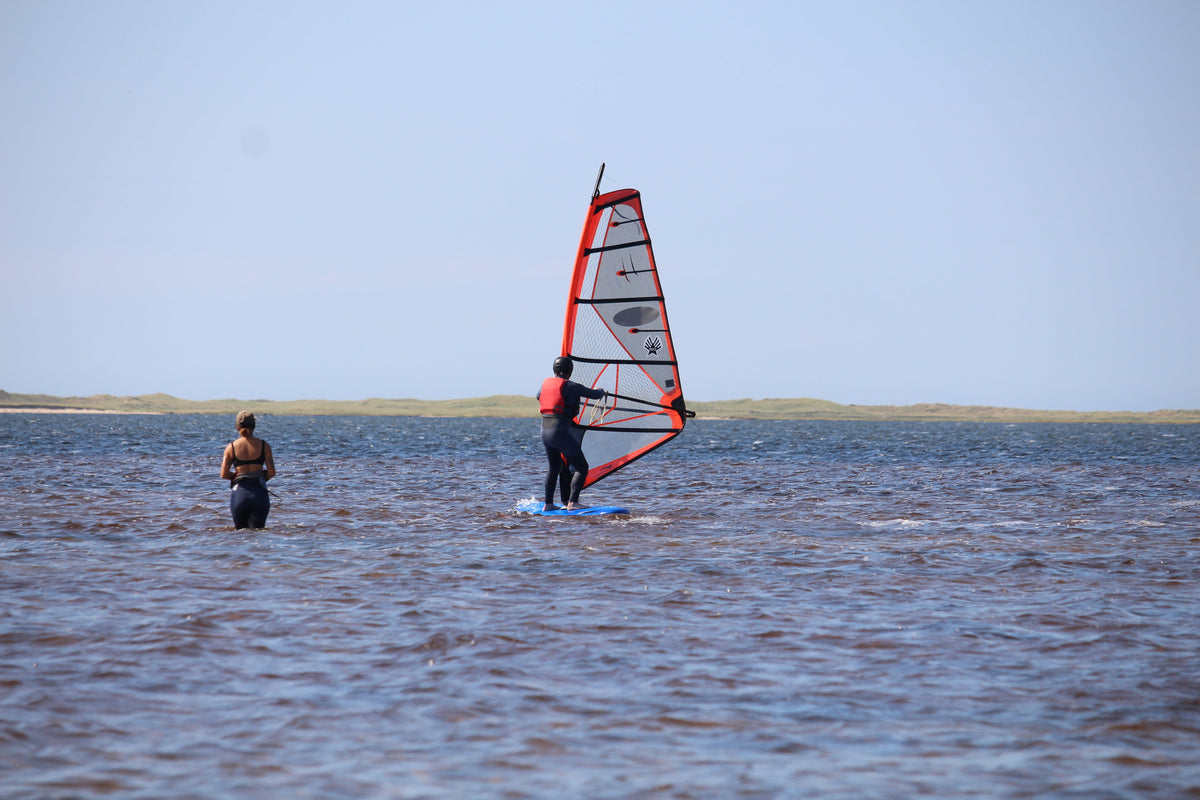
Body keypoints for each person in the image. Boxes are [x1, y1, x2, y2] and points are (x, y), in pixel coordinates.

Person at [537, 356, 606, 511]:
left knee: (554, 467)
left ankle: (548, 504)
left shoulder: (545, 384)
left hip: (545, 430)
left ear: (554, 370)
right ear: (570, 371)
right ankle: (573, 502)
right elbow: (595, 394)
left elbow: (538, 396)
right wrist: (601, 391)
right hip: (559, 431)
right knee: (582, 467)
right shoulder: (571, 386)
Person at [219, 410, 276, 529]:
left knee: (240, 534)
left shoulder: (231, 447)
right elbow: (271, 472)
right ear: (254, 426)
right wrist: (260, 476)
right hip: (259, 494)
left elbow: (224, 474)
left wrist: (238, 476)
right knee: (259, 532)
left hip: (240, 494)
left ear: (237, 427)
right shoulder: (264, 446)